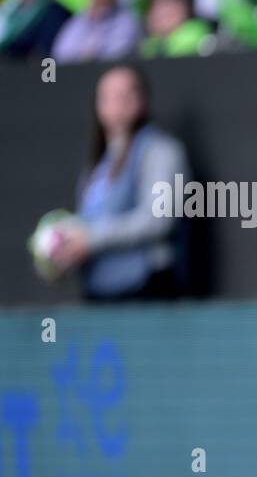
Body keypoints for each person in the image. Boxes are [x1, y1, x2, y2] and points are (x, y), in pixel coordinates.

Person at [44, 65, 190, 301]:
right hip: (100, 293)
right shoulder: (98, 165)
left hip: (145, 293)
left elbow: (158, 220)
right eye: (109, 96)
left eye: (127, 94)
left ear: (143, 100)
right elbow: (88, 220)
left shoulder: (162, 151)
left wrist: (91, 239)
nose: (118, 103)